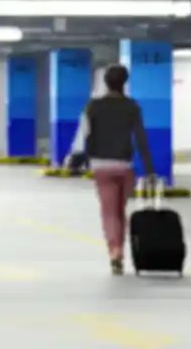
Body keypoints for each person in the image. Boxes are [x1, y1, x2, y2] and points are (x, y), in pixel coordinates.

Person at [67, 63, 154, 275]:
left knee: (109, 213)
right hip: (125, 166)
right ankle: (119, 248)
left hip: (101, 166)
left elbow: (83, 135)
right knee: (119, 212)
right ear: (125, 82)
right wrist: (149, 169)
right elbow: (141, 139)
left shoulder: (93, 106)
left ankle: (115, 252)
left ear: (106, 82)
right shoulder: (132, 106)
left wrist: (74, 160)